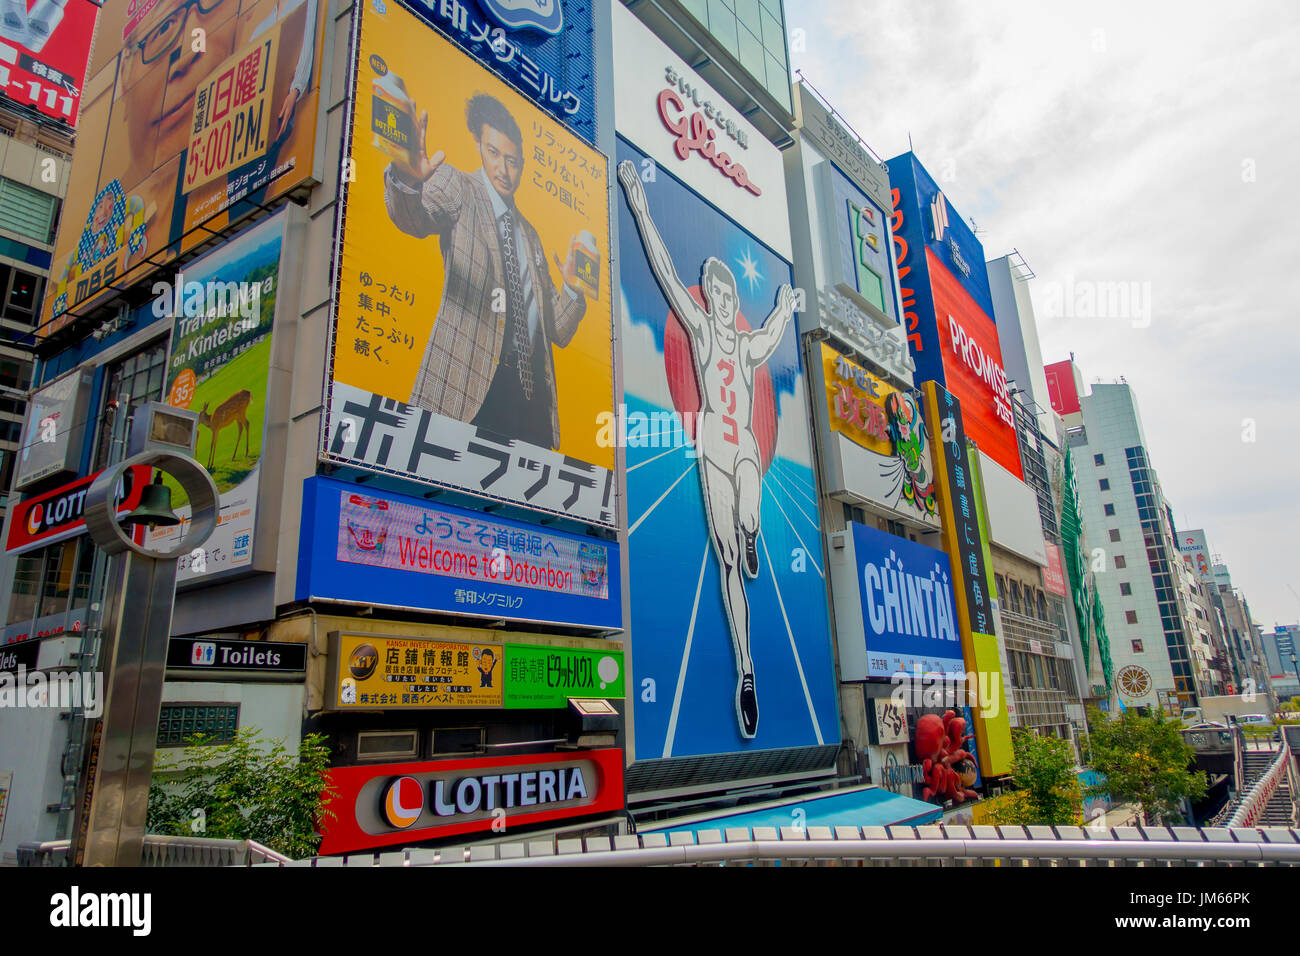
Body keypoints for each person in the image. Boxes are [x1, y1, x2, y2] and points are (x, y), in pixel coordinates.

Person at [617, 160, 796, 739]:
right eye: (715, 291)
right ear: (710, 295)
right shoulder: (697, 329)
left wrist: (786, 309)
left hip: (741, 445)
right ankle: (746, 670)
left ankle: (752, 531)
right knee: (727, 567)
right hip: (711, 449)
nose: (720, 300)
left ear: (734, 299)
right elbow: (667, 273)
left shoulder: (743, 346)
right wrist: (640, 206)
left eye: (728, 294)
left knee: (747, 500)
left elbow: (769, 335)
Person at [383, 88, 590, 450]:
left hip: (533, 407)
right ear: (479, 144)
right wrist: (407, 182)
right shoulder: (458, 186)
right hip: (465, 387)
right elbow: (414, 219)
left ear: (522, 163)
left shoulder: (531, 234)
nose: (503, 169)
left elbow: (557, 330)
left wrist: (573, 289)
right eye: (494, 153)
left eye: (512, 161)